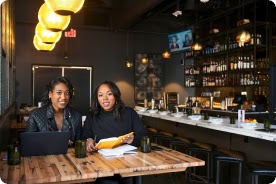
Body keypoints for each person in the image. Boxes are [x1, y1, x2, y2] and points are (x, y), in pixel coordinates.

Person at [82, 80, 148, 184]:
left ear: (116, 96)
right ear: (97, 99)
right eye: (100, 95)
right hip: (101, 166)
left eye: (109, 94)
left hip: (128, 164)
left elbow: (144, 135)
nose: (105, 98)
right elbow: (84, 136)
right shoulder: (92, 116)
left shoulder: (129, 113)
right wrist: (88, 141)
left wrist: (133, 139)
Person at [25, 76, 82, 146]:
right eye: (59, 92)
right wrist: (55, 142)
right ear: (50, 94)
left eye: (67, 93)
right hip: (44, 156)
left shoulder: (76, 116)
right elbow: (29, 144)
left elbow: (79, 144)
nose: (63, 97)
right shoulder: (35, 115)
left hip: (68, 155)